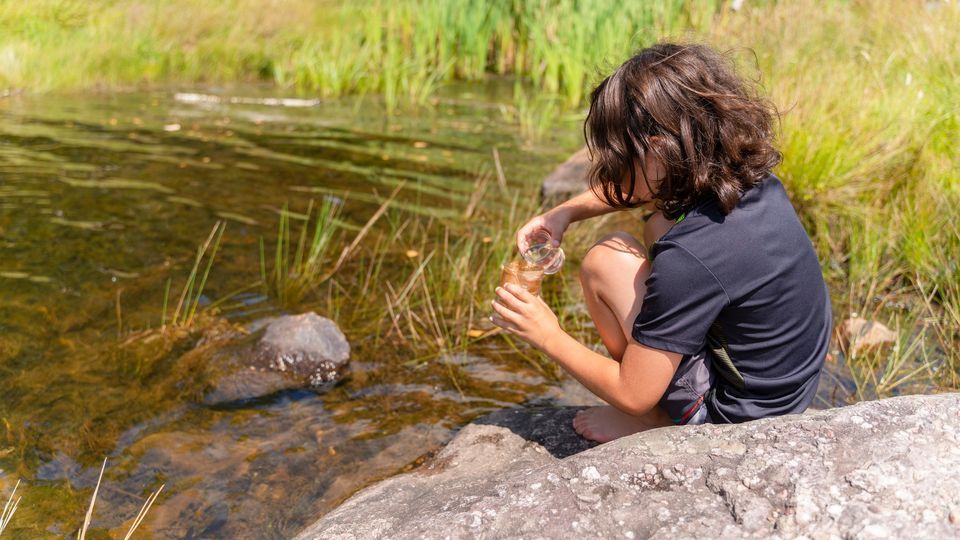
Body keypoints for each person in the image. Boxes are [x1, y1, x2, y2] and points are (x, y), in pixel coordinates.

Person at [490, 43, 832, 443]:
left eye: (618, 159)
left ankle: (661, 420)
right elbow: (647, 187)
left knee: (604, 261)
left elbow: (630, 394)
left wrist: (545, 332)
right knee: (659, 223)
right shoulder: (753, 181)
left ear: (657, 151)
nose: (610, 170)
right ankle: (664, 373)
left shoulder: (692, 256)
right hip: (787, 389)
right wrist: (565, 213)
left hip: (736, 423)